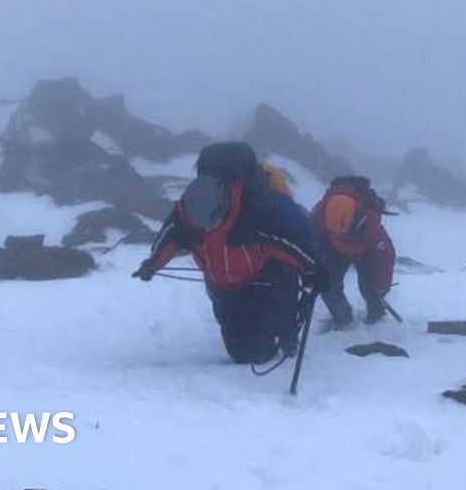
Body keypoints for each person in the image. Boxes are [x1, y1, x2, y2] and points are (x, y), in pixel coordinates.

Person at [133, 142, 328, 364]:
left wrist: (312, 270)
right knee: (243, 352)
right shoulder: (187, 213)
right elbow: (170, 238)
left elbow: (290, 242)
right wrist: (152, 265)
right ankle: (268, 341)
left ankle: (286, 337)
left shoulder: (258, 211)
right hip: (225, 284)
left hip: (269, 275)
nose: (206, 230)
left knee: (279, 325)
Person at [312, 176, 396, 327]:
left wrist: (383, 285)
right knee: (328, 287)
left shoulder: (368, 219)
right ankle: (345, 320)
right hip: (337, 247)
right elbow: (312, 239)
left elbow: (384, 255)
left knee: (369, 287)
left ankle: (374, 317)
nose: (345, 237)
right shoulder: (320, 213)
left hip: (359, 249)